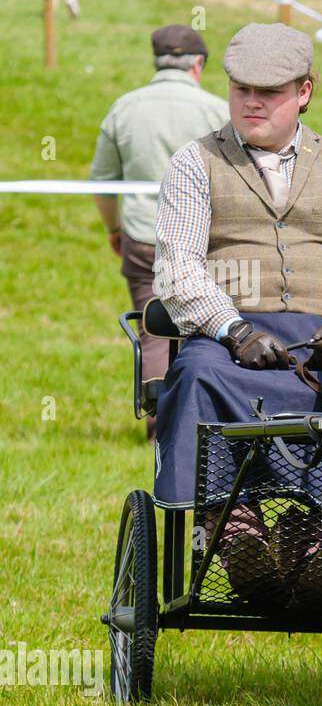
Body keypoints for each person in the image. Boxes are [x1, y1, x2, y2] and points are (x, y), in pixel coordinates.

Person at [152, 23, 322, 593]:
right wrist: (233, 329)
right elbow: (178, 266)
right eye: (242, 89)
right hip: (229, 345)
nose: (252, 101)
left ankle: (320, 532)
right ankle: (230, 523)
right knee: (195, 374)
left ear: (305, 92)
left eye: (269, 91)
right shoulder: (195, 163)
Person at [89, 25, 229, 441]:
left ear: (156, 61)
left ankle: (160, 428)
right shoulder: (218, 111)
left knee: (155, 331)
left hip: (142, 235)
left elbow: (103, 181)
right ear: (198, 64)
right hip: (205, 243)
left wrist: (114, 228)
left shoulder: (124, 108)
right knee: (206, 328)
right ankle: (205, 424)